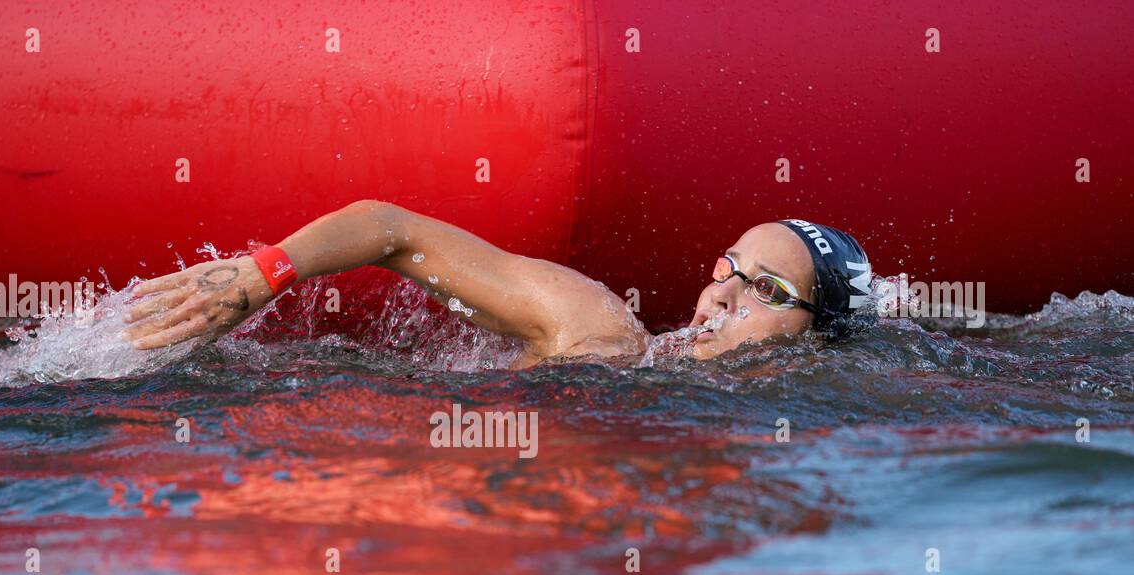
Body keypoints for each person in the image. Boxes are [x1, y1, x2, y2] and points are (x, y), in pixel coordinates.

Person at [125, 200, 872, 368]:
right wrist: (265, 272)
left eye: (768, 292)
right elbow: (394, 230)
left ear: (819, 338)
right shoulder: (602, 331)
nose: (726, 297)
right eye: (730, 270)